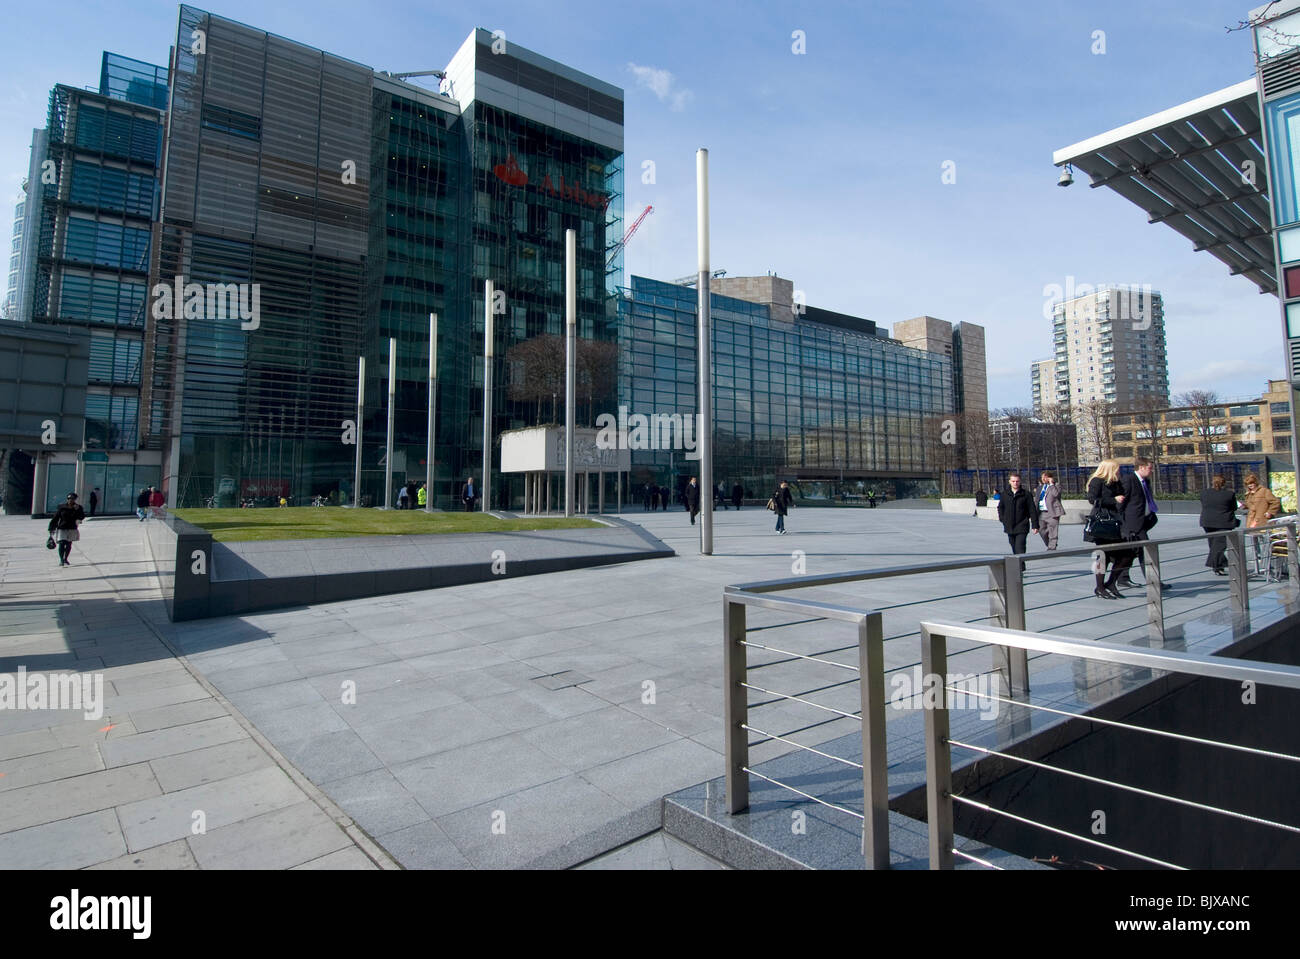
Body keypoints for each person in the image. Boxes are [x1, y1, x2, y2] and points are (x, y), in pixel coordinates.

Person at [1115, 458, 1159, 590]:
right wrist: (1123, 524)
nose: (1152, 471)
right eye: (1150, 468)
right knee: (1146, 551)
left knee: (1132, 551)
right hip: (1132, 524)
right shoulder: (1129, 480)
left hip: (1144, 521)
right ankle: (1153, 582)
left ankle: (1122, 578)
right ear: (1141, 467)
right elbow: (1121, 502)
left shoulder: (1146, 481)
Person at [1087, 459, 1128, 599]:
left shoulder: (1116, 482)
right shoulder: (1097, 481)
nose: (1119, 471)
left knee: (1126, 555)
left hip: (1116, 522)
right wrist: (1113, 500)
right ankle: (1100, 587)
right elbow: (1092, 499)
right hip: (1103, 523)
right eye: (1117, 469)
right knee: (1103, 555)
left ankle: (1110, 583)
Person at [1242, 472, 1282, 572]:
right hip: (1252, 521)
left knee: (1265, 542)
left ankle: (1267, 563)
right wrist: (1244, 506)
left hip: (1262, 521)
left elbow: (1275, 502)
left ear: (1255, 482)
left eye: (1252, 483)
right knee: (1254, 542)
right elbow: (1251, 505)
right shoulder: (1248, 494)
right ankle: (1258, 562)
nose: (1250, 485)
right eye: (1248, 484)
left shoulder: (1264, 491)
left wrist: (1270, 512)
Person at [1200, 475, 1238, 576]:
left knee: (1213, 545)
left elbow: (1204, 504)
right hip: (1223, 522)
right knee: (1218, 546)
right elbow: (1234, 507)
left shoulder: (1204, 493)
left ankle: (1218, 566)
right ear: (1224, 483)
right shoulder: (1229, 494)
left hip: (1207, 522)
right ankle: (1214, 563)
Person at [997, 471, 1039, 555]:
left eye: (1017, 481)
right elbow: (1000, 507)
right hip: (1009, 526)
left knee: (1020, 548)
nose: (1015, 483)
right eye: (1013, 481)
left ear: (1020, 482)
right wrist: (1003, 519)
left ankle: (1021, 563)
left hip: (1022, 525)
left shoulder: (1026, 494)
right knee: (1014, 547)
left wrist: (1035, 525)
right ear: (1009, 482)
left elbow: (1032, 510)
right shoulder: (1005, 494)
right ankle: (1018, 563)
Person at [48, 493, 85, 567]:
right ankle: (61, 559)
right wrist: (51, 527)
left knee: (68, 544)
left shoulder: (78, 507)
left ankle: (66, 558)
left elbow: (82, 517)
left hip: (72, 528)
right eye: (69, 498)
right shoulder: (62, 507)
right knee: (61, 543)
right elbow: (56, 517)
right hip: (62, 527)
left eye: (72, 499)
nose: (70, 500)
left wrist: (77, 510)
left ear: (75, 499)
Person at [1034, 471, 1065, 551]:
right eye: (1042, 477)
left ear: (1050, 478)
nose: (1043, 479)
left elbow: (1056, 494)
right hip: (1041, 512)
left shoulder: (1056, 486)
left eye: (1045, 477)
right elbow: (1037, 499)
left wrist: (1051, 484)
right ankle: (1050, 543)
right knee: (1041, 530)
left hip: (1052, 512)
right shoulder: (1040, 487)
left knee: (1053, 531)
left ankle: (1052, 547)